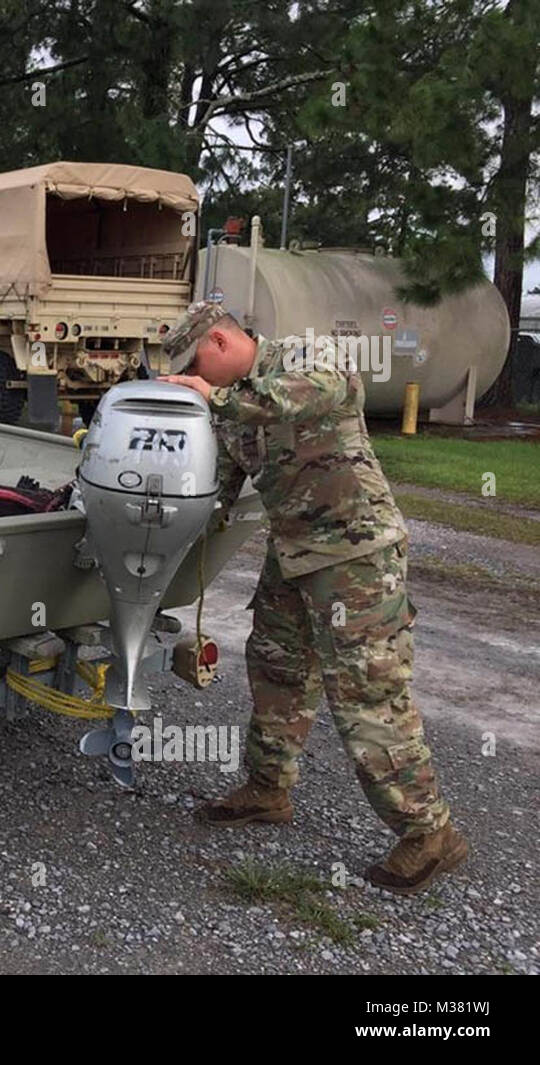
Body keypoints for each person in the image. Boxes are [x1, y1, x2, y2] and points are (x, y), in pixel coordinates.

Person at [157, 301, 467, 896]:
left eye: (196, 365)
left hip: (357, 559)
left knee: (367, 697)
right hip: (294, 557)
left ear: (219, 343)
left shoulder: (306, 356)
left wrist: (209, 397)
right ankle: (268, 789)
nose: (197, 377)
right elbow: (215, 487)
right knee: (276, 668)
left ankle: (430, 833)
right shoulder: (230, 410)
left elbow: (316, 394)